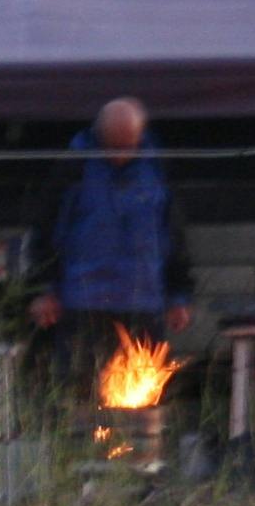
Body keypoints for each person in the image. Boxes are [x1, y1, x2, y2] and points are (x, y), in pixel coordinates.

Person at [30, 97, 194, 379]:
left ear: (140, 136)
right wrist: (44, 289)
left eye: (127, 146)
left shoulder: (157, 169)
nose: (120, 154)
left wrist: (178, 295)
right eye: (112, 146)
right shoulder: (75, 167)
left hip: (143, 305)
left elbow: (173, 235)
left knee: (141, 395)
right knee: (79, 394)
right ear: (98, 135)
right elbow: (46, 231)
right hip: (83, 304)